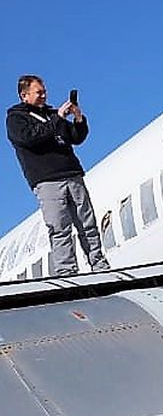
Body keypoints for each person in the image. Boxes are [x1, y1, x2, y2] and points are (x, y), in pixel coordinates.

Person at [6, 75, 110, 276]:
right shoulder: (16, 119)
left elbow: (76, 137)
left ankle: (99, 265)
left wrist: (78, 118)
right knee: (59, 227)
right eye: (39, 92)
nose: (44, 95)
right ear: (24, 95)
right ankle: (66, 271)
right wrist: (58, 118)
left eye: (44, 91)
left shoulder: (51, 114)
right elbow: (31, 138)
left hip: (72, 173)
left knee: (87, 222)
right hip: (47, 180)